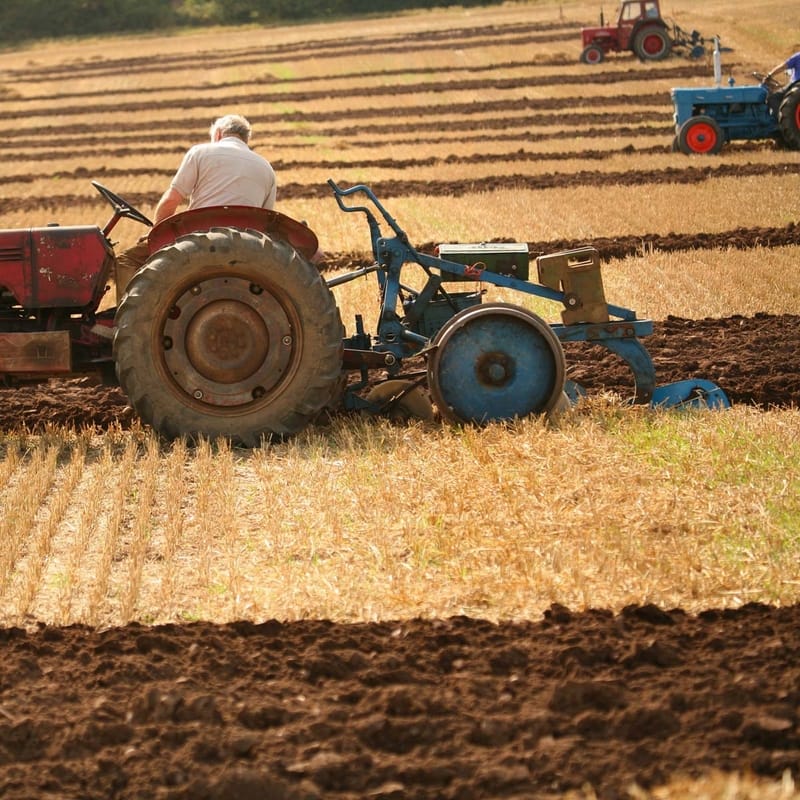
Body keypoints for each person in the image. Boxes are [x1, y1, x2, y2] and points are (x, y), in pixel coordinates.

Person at [114, 113, 277, 294]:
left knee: (126, 260)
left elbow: (171, 201)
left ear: (218, 135)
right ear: (246, 140)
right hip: (246, 245)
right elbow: (265, 221)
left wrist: (155, 233)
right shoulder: (266, 168)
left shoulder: (201, 153)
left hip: (199, 238)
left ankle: (128, 319)